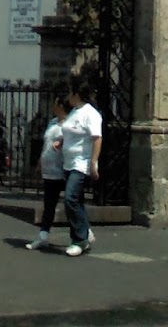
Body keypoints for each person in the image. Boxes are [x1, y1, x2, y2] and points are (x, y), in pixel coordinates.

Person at [59, 74, 102, 257]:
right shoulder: (75, 112)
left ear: (77, 94)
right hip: (68, 163)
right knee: (77, 201)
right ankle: (85, 230)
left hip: (81, 163)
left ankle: (79, 240)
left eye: (70, 92)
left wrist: (93, 162)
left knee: (70, 198)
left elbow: (97, 138)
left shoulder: (90, 114)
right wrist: (60, 143)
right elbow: (70, 132)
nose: (67, 96)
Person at [26, 95, 70, 250]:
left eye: (56, 103)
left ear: (62, 106)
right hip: (49, 169)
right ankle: (43, 235)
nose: (53, 106)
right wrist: (40, 162)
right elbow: (47, 144)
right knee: (49, 204)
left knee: (71, 202)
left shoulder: (70, 125)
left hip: (63, 169)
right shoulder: (52, 123)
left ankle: (83, 232)